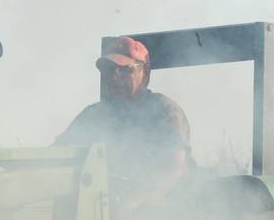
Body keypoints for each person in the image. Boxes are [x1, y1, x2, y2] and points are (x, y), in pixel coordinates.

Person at [55, 36, 191, 210]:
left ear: (146, 73)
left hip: (166, 215)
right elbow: (57, 154)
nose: (115, 76)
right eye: (109, 69)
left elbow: (174, 171)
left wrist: (135, 204)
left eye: (125, 70)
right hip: (106, 213)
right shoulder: (94, 115)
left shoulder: (164, 112)